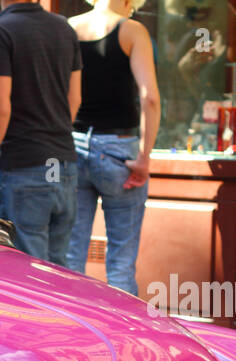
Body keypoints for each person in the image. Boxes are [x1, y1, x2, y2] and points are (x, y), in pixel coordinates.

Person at [64, 0, 161, 295]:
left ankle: (70, 332)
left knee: (70, 258)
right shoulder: (132, 31)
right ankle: (121, 337)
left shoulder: (70, 28)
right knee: (120, 263)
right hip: (119, 150)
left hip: (74, 144)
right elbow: (150, 98)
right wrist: (144, 157)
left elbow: (66, 94)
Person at [0, 0, 83, 265]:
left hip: (24, 166)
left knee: (27, 274)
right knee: (58, 270)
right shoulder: (64, 28)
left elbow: (0, 107)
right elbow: (75, 99)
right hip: (62, 164)